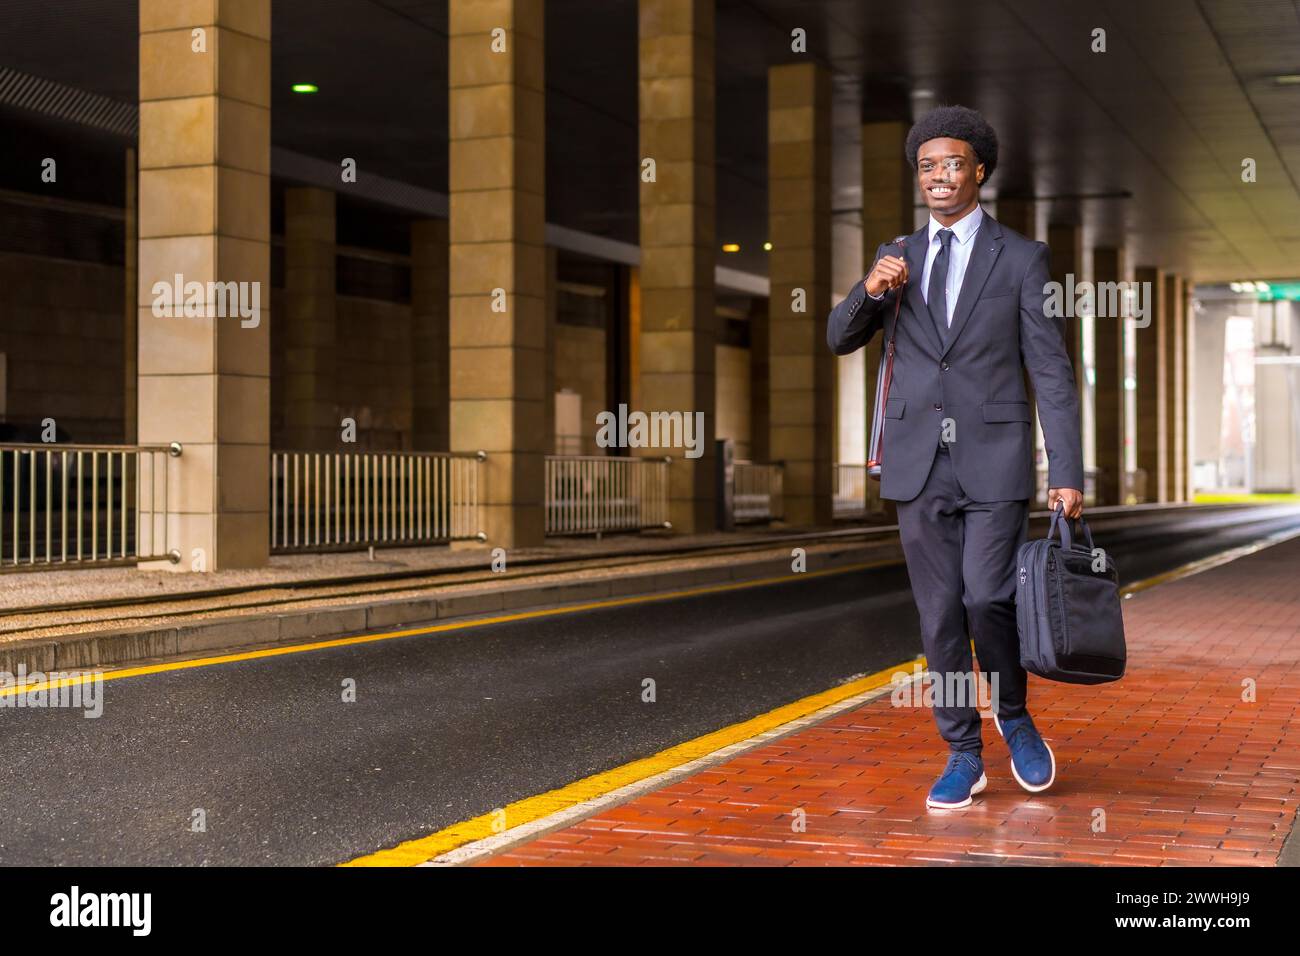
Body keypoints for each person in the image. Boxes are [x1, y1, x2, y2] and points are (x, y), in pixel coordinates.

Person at [826, 105, 1084, 810]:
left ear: (980, 172)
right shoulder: (897, 253)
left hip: (995, 457)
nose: (939, 175)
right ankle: (962, 753)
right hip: (917, 461)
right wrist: (868, 291)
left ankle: (1016, 716)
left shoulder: (1023, 258)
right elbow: (838, 338)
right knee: (939, 613)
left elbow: (1051, 370)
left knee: (987, 598)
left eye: (953, 163)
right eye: (927, 165)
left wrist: (1066, 470)